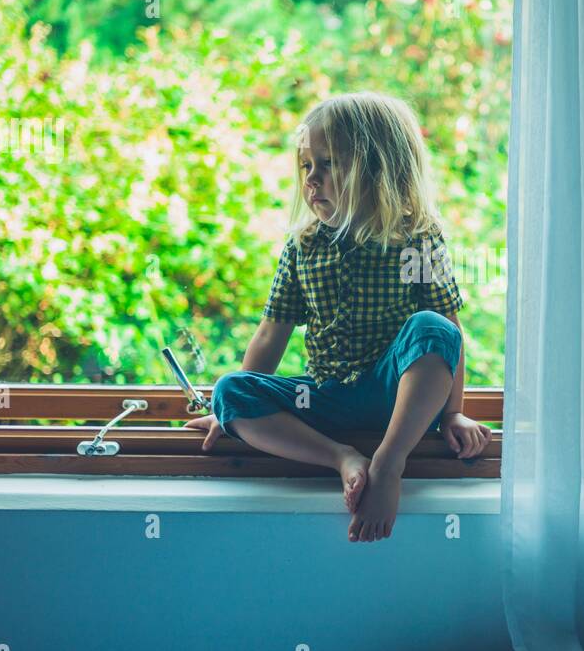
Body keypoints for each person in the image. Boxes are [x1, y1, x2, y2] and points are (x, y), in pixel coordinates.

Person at [186, 91, 493, 543]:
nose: (312, 179)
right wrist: (224, 416)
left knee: (433, 326)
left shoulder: (416, 239)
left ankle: (388, 462)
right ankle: (342, 457)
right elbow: (273, 331)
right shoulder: (302, 245)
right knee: (231, 390)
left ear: (379, 170)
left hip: (398, 399)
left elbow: (449, 332)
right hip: (325, 400)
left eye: (328, 164)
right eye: (307, 166)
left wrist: (453, 416)